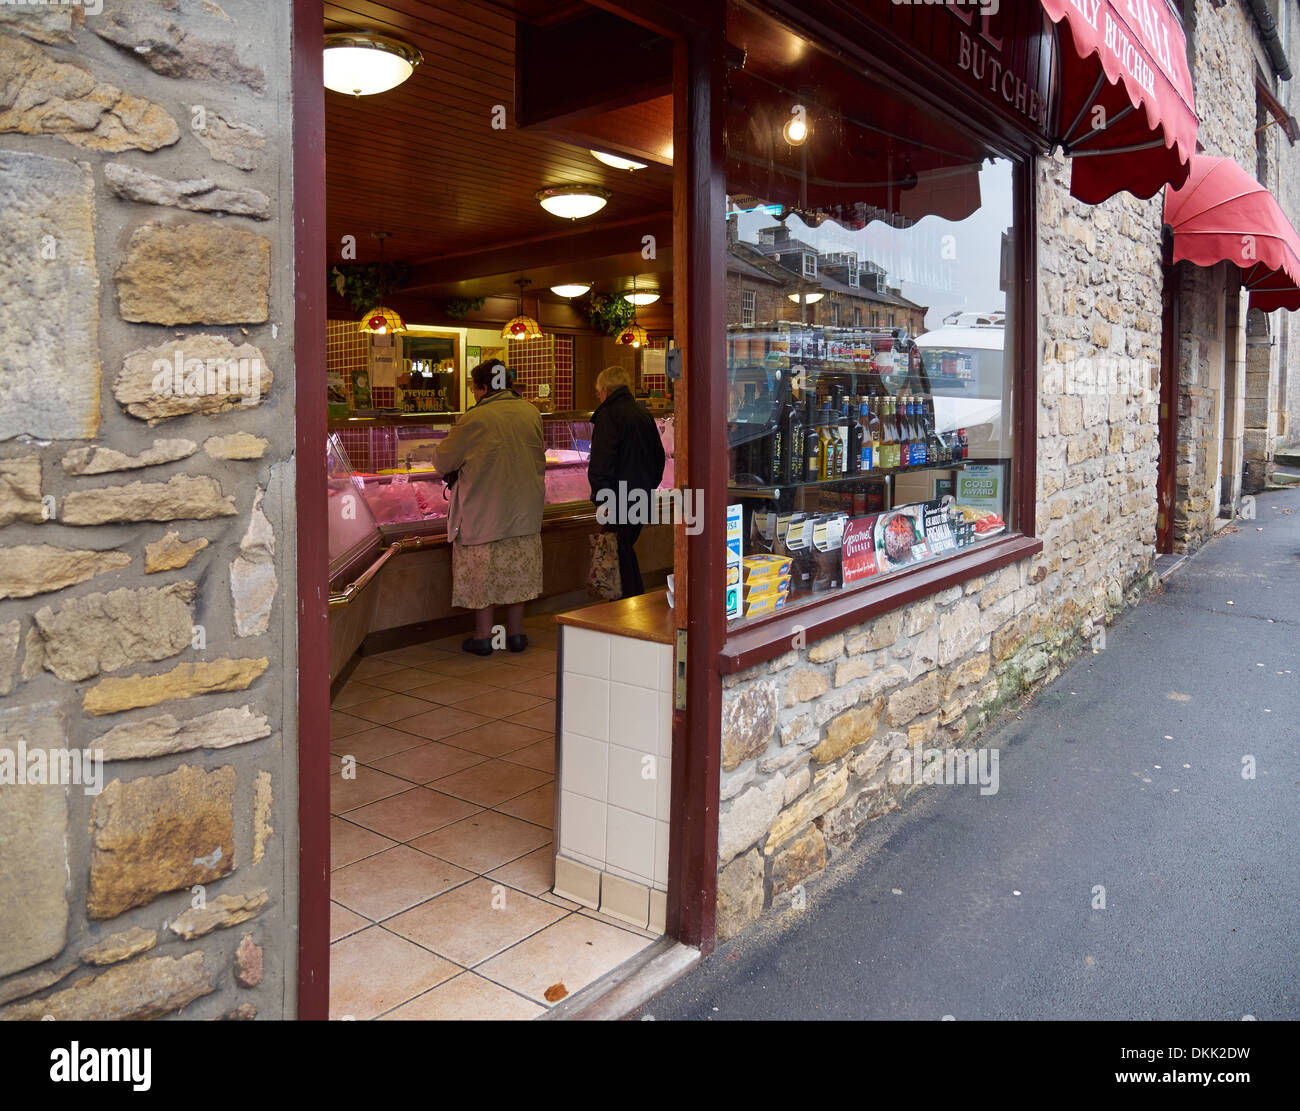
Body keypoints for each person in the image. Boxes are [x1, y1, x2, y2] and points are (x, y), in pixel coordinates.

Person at [435, 359, 545, 655]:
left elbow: (443, 461)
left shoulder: (476, 418)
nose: (473, 393)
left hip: (485, 513)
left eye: (474, 387)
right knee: (518, 575)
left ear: (483, 387)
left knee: (484, 576)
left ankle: (484, 637)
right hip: (524, 511)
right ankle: (517, 635)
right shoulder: (531, 411)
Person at [588, 365, 666, 598]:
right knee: (623, 548)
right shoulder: (643, 414)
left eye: (598, 392)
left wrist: (601, 499)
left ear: (604, 390)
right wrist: (649, 486)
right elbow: (659, 457)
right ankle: (628, 602)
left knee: (619, 549)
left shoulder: (608, 415)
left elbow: (602, 460)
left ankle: (629, 602)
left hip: (617, 497)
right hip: (641, 495)